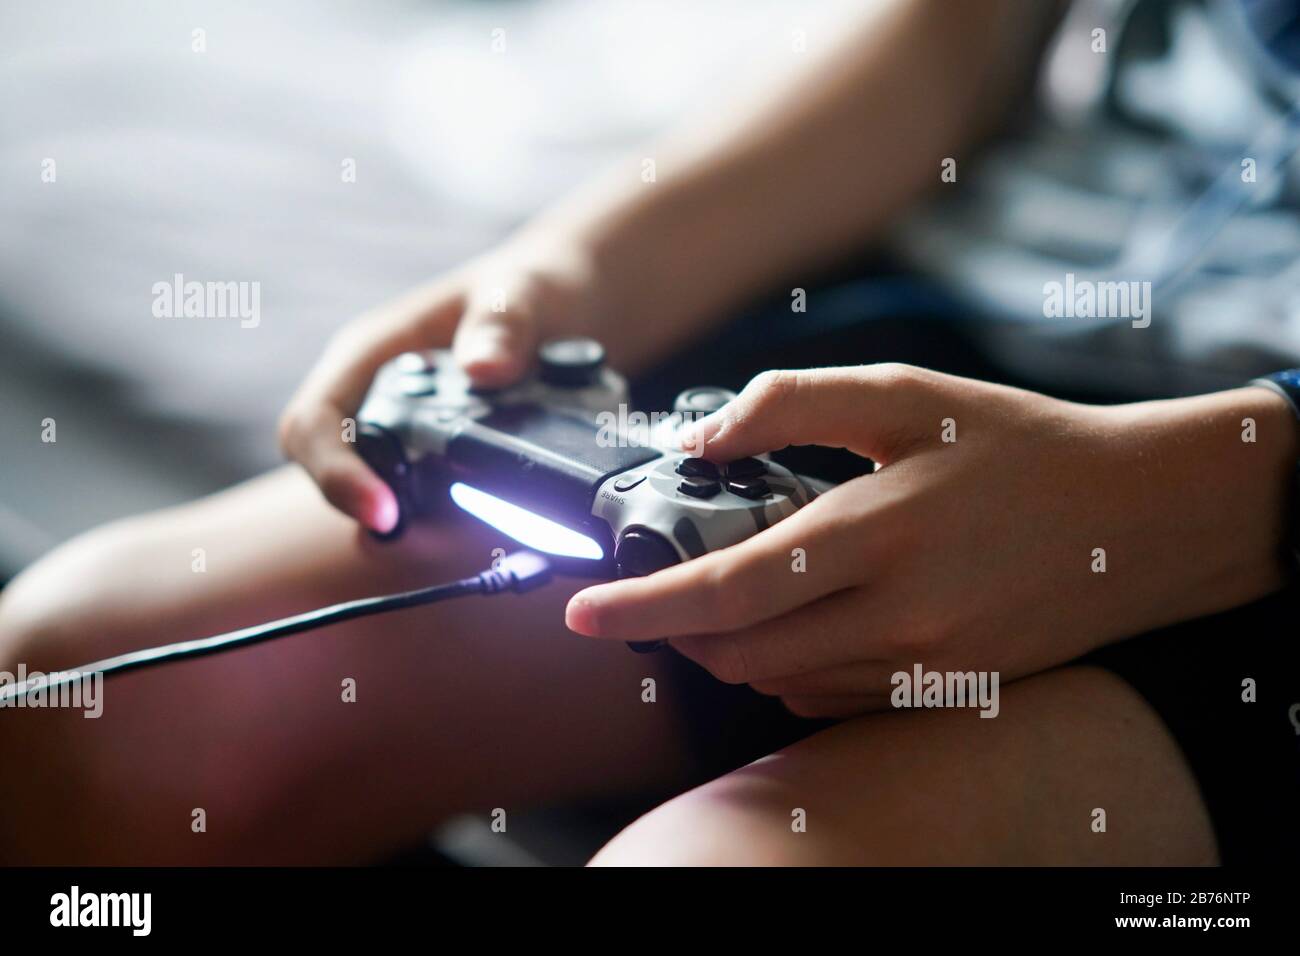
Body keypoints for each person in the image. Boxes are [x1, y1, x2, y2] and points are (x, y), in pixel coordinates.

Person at [2, 0, 1297, 865]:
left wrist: (1175, 508)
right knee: (66, 688)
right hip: (955, 327)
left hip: (1262, 498)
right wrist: (580, 270)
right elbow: (959, 35)